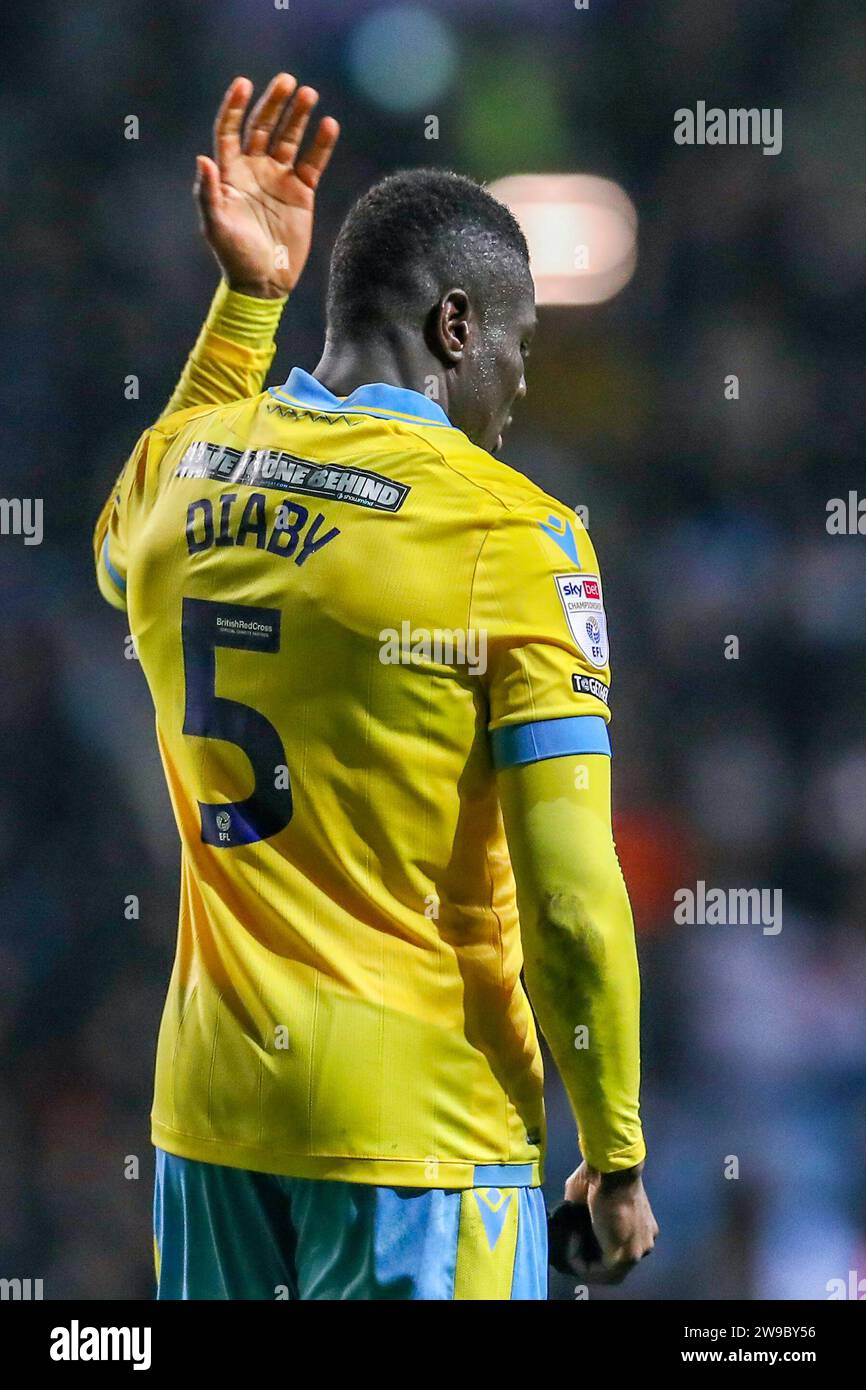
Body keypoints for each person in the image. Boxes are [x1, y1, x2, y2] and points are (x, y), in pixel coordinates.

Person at [94, 73, 657, 1300]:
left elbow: (114, 536)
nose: (516, 385)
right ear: (456, 326)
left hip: (209, 1129)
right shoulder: (512, 534)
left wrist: (248, 304)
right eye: (518, 341)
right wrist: (613, 1150)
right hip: (422, 1139)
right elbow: (568, 899)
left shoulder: (184, 473)